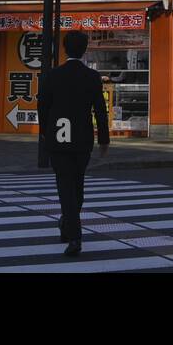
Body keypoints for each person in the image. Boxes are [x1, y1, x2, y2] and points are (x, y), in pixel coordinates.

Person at [36, 30, 109, 257]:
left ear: (65, 49)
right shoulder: (92, 77)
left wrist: (44, 132)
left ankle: (73, 234)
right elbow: (100, 110)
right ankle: (69, 226)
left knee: (65, 186)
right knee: (77, 186)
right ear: (85, 49)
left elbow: (42, 106)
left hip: (58, 139)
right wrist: (104, 139)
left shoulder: (51, 76)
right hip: (82, 139)